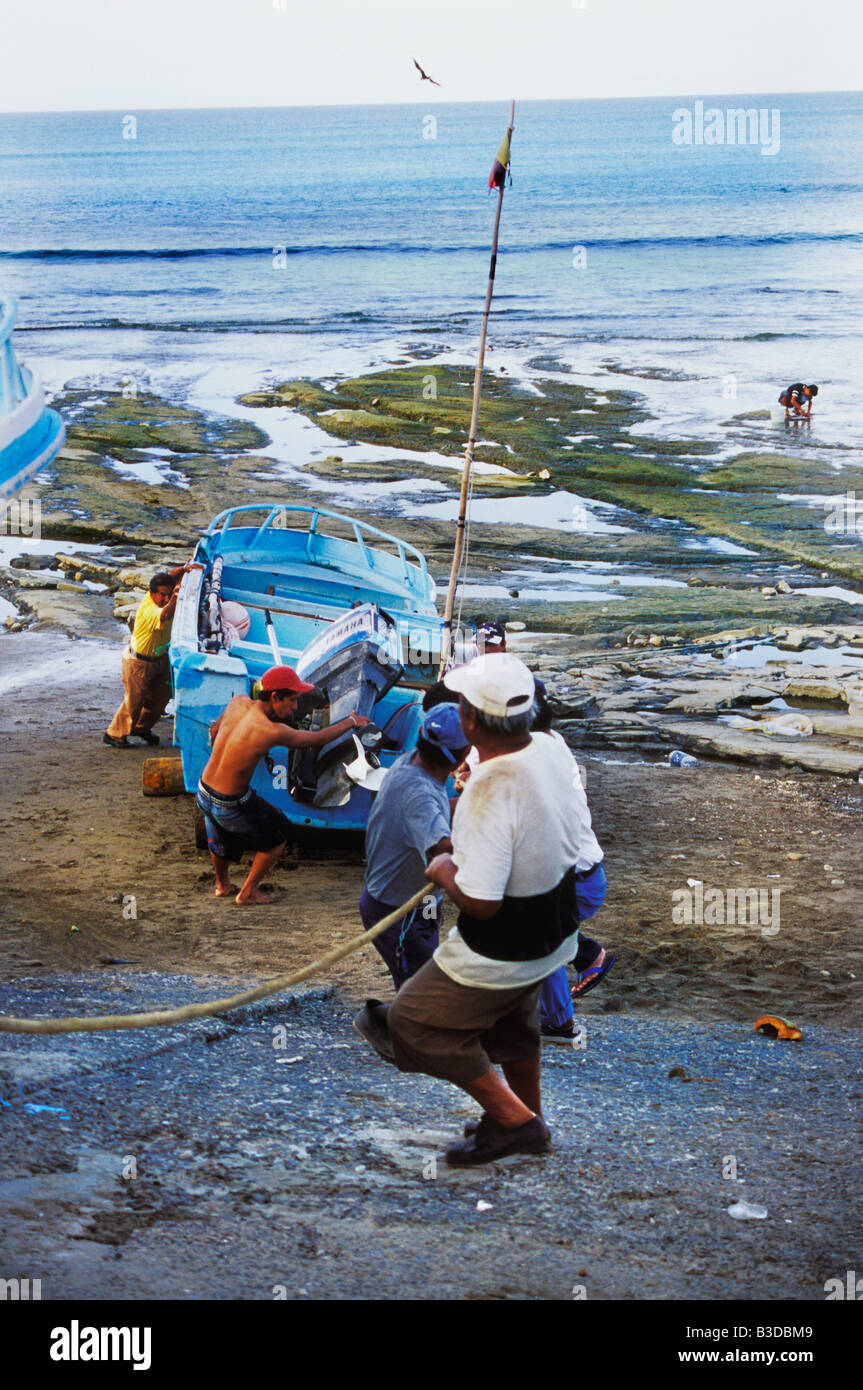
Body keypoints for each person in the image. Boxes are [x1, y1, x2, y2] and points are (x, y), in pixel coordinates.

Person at [353, 653, 590, 1166]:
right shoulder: (549, 751)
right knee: (512, 1024)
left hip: (505, 943)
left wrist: (442, 873)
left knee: (411, 1024)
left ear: (471, 721)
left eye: (462, 703)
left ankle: (516, 1123)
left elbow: (480, 902)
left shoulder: (488, 783)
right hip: (556, 927)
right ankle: (530, 1115)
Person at [198, 665, 369, 905]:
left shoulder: (238, 702)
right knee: (277, 837)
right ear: (275, 697)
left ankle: (222, 885)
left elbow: (216, 732)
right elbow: (316, 739)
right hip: (230, 803)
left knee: (219, 838)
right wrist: (351, 720)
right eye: (292, 700)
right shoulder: (270, 730)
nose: (296, 707)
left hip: (203, 791)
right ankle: (247, 892)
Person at [359, 704, 470, 990]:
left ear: (421, 734)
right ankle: (393, 1028)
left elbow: (431, 814)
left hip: (423, 905)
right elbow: (441, 850)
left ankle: (399, 1027)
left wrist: (476, 799)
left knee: (423, 983)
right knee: (422, 994)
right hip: (398, 913)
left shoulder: (411, 762)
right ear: (464, 754)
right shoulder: (419, 794)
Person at [530, 680, 615, 1041]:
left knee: (538, 941)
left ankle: (558, 1021)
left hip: (576, 879)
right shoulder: (550, 743)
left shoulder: (535, 753)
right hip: (579, 873)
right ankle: (587, 956)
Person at [103, 566, 187, 747]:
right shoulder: (150, 608)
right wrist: (175, 597)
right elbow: (165, 614)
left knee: (161, 697)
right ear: (152, 593)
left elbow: (170, 576)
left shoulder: (162, 595)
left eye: (168, 594)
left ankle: (140, 728)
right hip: (139, 661)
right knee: (134, 701)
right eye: (162, 595)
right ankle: (114, 734)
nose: (165, 599)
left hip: (159, 658)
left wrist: (186, 568)